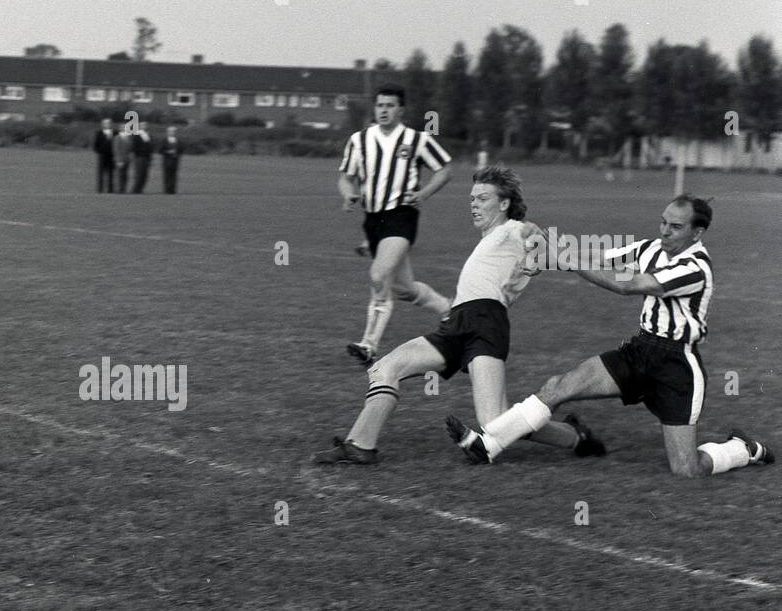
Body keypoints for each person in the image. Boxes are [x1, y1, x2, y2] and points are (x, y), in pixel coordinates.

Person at [446, 195, 774, 478]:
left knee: (687, 469)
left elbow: (628, 285)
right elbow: (599, 256)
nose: (664, 231)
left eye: (675, 227)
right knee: (557, 386)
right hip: (640, 350)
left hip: (676, 367)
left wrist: (565, 257)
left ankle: (741, 449)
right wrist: (543, 254)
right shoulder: (650, 248)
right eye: (663, 222)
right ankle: (490, 444)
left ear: (697, 232)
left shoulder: (695, 266)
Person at [313, 164, 600, 465]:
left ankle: (575, 436)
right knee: (385, 368)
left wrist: (538, 237)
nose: (474, 205)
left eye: (483, 199)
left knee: (496, 423)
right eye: (472, 198)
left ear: (504, 204)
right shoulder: (494, 237)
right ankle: (360, 445)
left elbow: (545, 242)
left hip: (485, 324)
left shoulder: (514, 230)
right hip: (456, 323)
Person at [338, 87, 454, 366]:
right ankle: (451, 310)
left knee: (379, 275)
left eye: (390, 105)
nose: (384, 110)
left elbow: (445, 169)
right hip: (372, 219)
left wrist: (423, 194)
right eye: (380, 105)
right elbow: (345, 175)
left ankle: (368, 345)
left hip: (401, 215)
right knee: (403, 288)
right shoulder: (360, 140)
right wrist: (348, 194)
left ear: (401, 110)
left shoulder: (417, 139)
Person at [93, 118, 116, 193]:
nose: (108, 124)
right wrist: (101, 152)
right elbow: (95, 146)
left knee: (111, 174)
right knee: (101, 174)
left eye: (109, 123)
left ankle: (110, 190)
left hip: (112, 157)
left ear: (111, 124)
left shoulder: (115, 133)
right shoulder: (99, 133)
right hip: (102, 157)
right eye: (106, 123)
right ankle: (100, 190)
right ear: (103, 124)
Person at [130, 125, 153, 193]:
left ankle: (140, 189)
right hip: (139, 158)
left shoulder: (148, 136)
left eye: (145, 125)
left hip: (146, 158)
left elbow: (150, 148)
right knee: (139, 174)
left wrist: (150, 159)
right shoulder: (137, 136)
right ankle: (135, 190)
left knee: (144, 175)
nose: (145, 127)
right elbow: (134, 147)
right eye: (143, 125)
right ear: (140, 127)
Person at [160, 126, 182, 193]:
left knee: (174, 175)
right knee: (167, 175)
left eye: (174, 131)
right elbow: (160, 150)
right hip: (167, 160)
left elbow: (181, 149)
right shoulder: (164, 140)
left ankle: (172, 189)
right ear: (168, 132)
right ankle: (167, 190)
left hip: (175, 160)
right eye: (171, 131)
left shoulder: (178, 140)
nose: (173, 132)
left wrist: (177, 152)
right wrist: (168, 152)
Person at [113, 127, 132, 194]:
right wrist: (118, 160)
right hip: (120, 160)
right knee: (119, 175)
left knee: (125, 175)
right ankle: (118, 189)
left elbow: (130, 149)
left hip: (127, 160)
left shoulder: (128, 138)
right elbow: (116, 150)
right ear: (121, 129)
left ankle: (123, 189)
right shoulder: (117, 137)